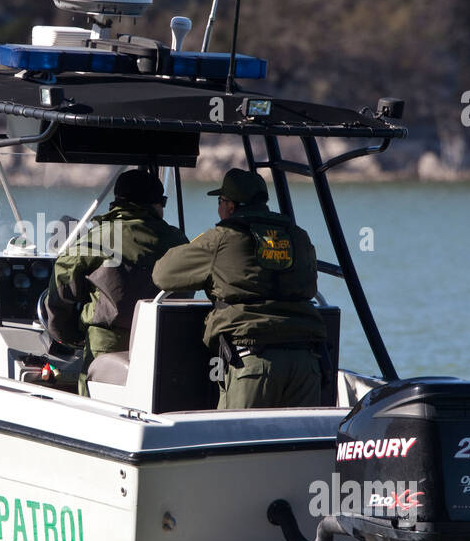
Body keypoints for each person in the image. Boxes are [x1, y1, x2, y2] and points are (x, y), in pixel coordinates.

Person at [152, 168, 327, 409]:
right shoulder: (298, 236)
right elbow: (308, 285)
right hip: (308, 362)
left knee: (237, 441)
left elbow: (163, 274)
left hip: (253, 362)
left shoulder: (223, 237)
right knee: (296, 444)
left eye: (220, 201)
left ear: (230, 206)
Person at [44, 169, 188, 395]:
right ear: (155, 204)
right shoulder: (178, 240)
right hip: (165, 346)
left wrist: (69, 336)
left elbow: (60, 291)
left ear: (118, 202)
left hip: (106, 347)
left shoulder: (96, 238)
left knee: (96, 410)